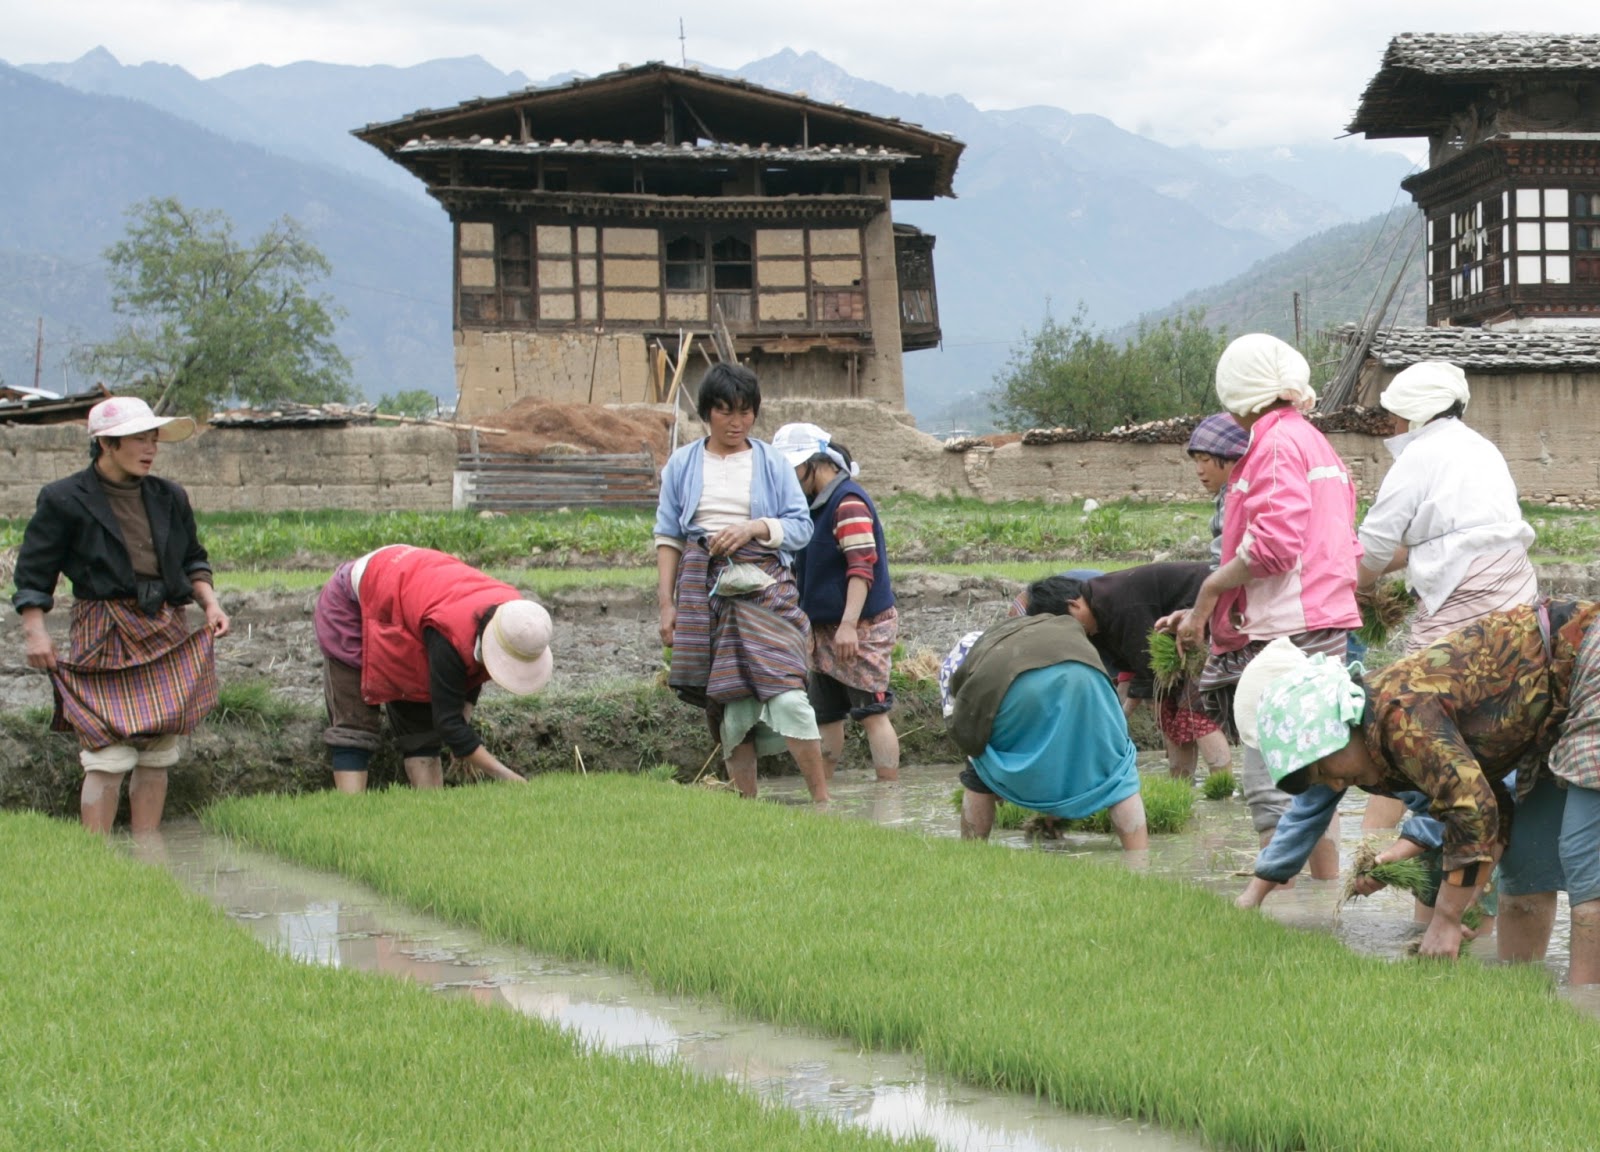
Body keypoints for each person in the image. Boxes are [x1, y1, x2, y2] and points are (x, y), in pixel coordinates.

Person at [1236, 601, 1600, 975]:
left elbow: (1470, 807)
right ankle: (1527, 995)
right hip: (1550, 711)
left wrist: (1446, 916)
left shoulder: (1399, 717)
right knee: (1526, 867)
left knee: (1584, 860)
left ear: (1340, 730)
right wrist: (1472, 885)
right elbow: (1491, 801)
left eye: (1324, 769)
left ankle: (1584, 1007)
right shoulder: (1372, 745)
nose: (1332, 783)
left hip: (1586, 657)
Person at [1159, 334, 1362, 877]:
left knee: (1273, 780)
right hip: (1321, 626)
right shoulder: (1316, 442)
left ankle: (1284, 910)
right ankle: (1323, 902)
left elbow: (1273, 547)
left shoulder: (1272, 444)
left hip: (1285, 633)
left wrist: (1204, 599)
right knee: (1315, 772)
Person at [13, 396, 230, 834]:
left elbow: (192, 558)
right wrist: (36, 633)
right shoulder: (64, 499)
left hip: (165, 623)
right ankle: (99, 856)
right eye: (139, 439)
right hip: (104, 627)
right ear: (107, 445)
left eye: (154, 439)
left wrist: (210, 602)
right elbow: (35, 573)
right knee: (107, 751)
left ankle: (147, 845)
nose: (151, 448)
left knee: (159, 747)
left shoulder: (169, 496)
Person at [1353, 359, 1538, 838]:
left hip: (1464, 589)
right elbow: (1439, 538)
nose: (1390, 427)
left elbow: (1375, 542)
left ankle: (1381, 845)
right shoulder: (1481, 448)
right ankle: (1491, 823)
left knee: (1404, 710)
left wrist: (1360, 586)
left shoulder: (1420, 455)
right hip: (1514, 583)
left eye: (1394, 417)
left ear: (1415, 416)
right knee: (1496, 711)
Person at [655, 364, 829, 802]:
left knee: (788, 692)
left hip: (766, 583)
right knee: (733, 703)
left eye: (746, 412)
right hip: (705, 589)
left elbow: (800, 526)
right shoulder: (683, 463)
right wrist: (666, 604)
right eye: (726, 412)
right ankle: (746, 808)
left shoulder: (770, 461)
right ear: (707, 414)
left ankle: (823, 802)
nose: (737, 423)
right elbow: (669, 536)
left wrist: (753, 529)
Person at [314, 544, 552, 792]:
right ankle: (352, 814)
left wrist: (464, 724)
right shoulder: (451, 635)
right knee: (355, 722)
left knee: (421, 727)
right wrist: (511, 779)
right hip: (354, 600)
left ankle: (431, 809)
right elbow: (448, 723)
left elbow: (475, 669)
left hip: (413, 606)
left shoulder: (514, 619)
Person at [940, 591, 1149, 850]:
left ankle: (972, 850)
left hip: (1014, 686)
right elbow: (1062, 752)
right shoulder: (1054, 629)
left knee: (979, 766)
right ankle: (1139, 858)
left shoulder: (971, 651)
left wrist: (985, 767)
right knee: (1117, 771)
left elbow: (965, 720)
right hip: (1089, 680)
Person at [771, 421, 900, 783]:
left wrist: (848, 625)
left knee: (872, 711)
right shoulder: (814, 506)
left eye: (792, 469)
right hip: (824, 630)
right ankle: (823, 796)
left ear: (815, 462)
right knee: (825, 715)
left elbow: (861, 568)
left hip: (858, 627)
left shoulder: (848, 503)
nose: (789, 479)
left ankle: (888, 794)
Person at [1038, 565, 1232, 782]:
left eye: (1068, 626)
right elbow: (1130, 669)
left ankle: (1223, 787)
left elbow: (1145, 663)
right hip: (1173, 640)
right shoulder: (1098, 614)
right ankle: (1181, 785)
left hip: (1208, 614)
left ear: (1073, 605)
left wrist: (1124, 715)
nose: (1072, 635)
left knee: (1194, 714)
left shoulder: (1118, 602)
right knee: (1170, 716)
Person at [1185, 413, 1250, 565]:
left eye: (1205, 459)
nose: (1199, 470)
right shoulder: (1228, 494)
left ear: (1237, 458)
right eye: (1196, 461)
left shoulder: (1240, 498)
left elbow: (1224, 561)